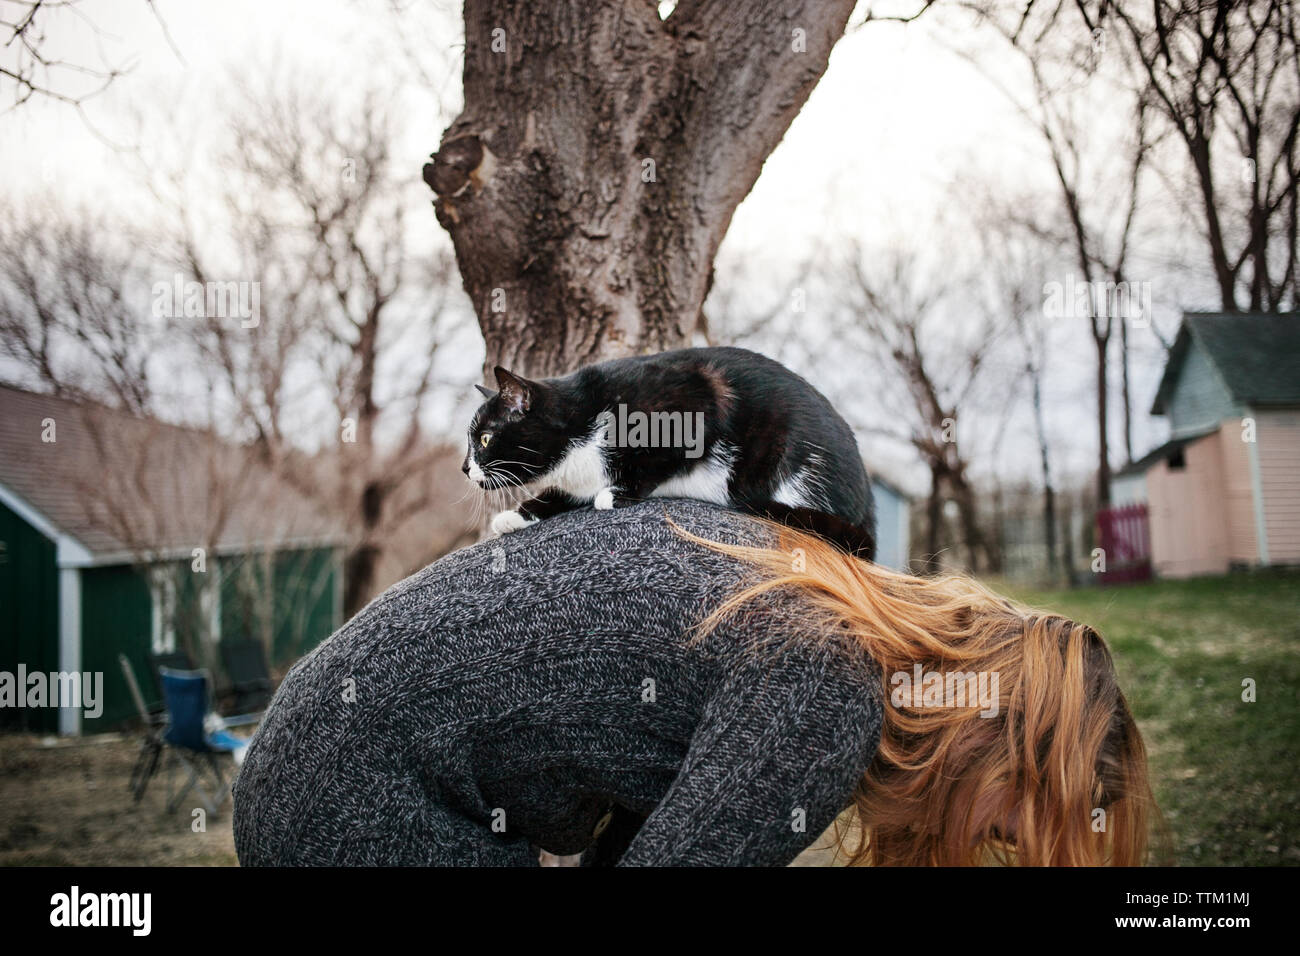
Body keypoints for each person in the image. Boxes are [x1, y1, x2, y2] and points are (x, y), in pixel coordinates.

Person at [232, 499, 1156, 866]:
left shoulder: (823, 601)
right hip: (353, 796)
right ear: (994, 731)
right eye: (1009, 819)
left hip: (309, 757)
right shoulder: (828, 687)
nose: (990, 839)